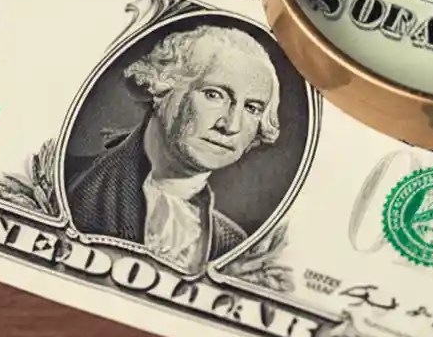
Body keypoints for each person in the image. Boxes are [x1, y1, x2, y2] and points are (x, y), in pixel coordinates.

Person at [66, 25, 281, 274]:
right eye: (214, 95)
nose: (231, 125)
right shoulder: (72, 181)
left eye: (252, 108)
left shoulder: (232, 243)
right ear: (162, 88)